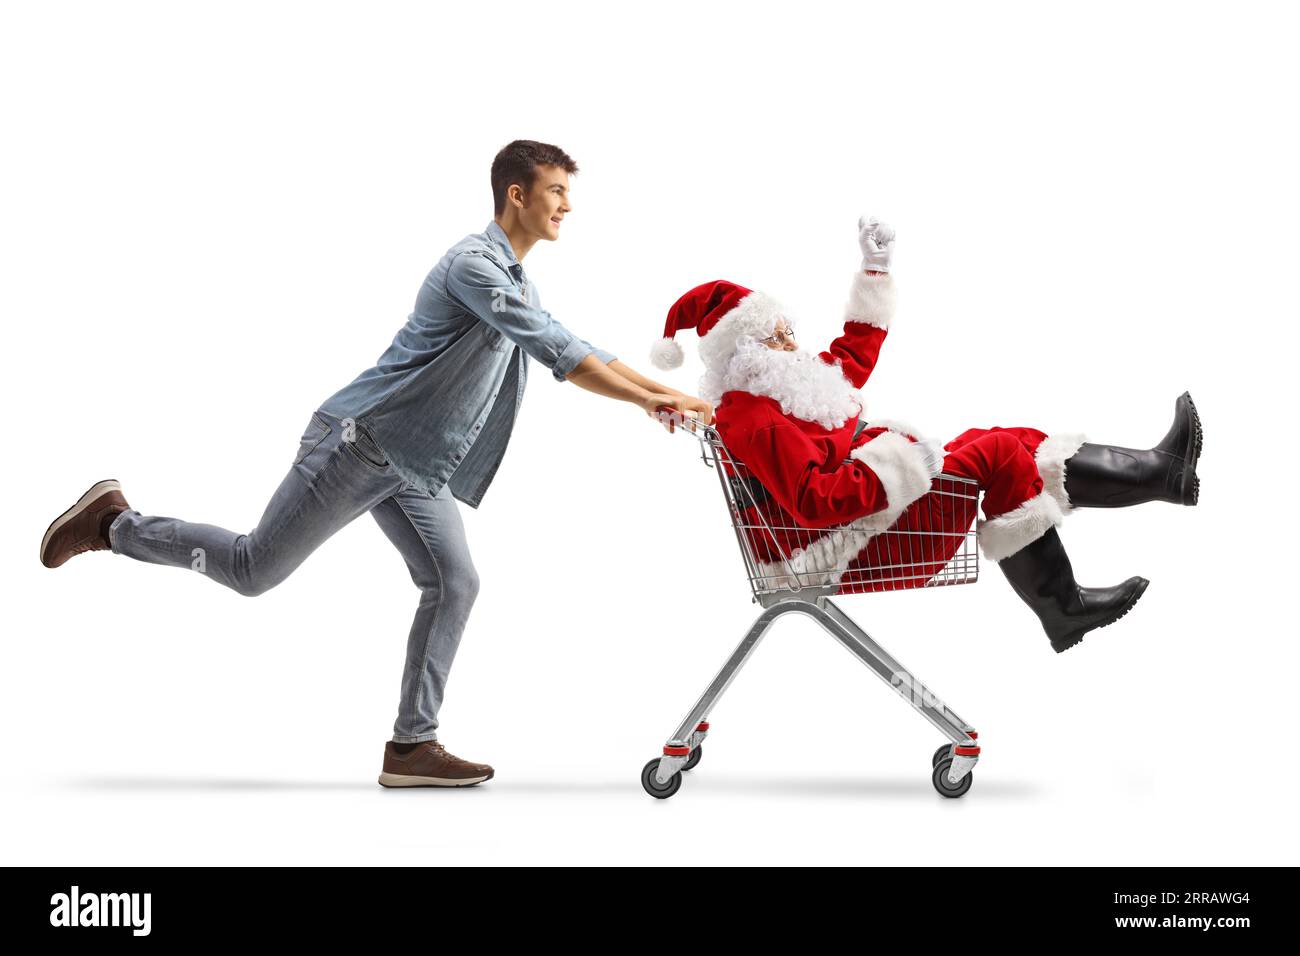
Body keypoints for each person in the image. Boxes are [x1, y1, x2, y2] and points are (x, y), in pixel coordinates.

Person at [39, 139, 714, 786]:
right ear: (517, 195)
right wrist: (646, 400)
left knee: (455, 582)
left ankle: (412, 746)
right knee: (252, 569)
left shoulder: (516, 279)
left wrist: (666, 394)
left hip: (416, 465)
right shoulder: (473, 266)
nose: (567, 205)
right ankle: (113, 524)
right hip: (359, 445)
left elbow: (574, 342)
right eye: (557, 191)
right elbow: (556, 353)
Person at [648, 217, 1201, 653]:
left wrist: (874, 273)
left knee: (1008, 437)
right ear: (742, 353)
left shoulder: (782, 390)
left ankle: (1157, 480)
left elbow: (847, 361)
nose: (792, 345)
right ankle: (1067, 602)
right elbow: (814, 502)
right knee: (997, 452)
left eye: (789, 331)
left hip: (875, 522)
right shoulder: (754, 416)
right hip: (852, 545)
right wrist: (903, 464)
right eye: (775, 338)